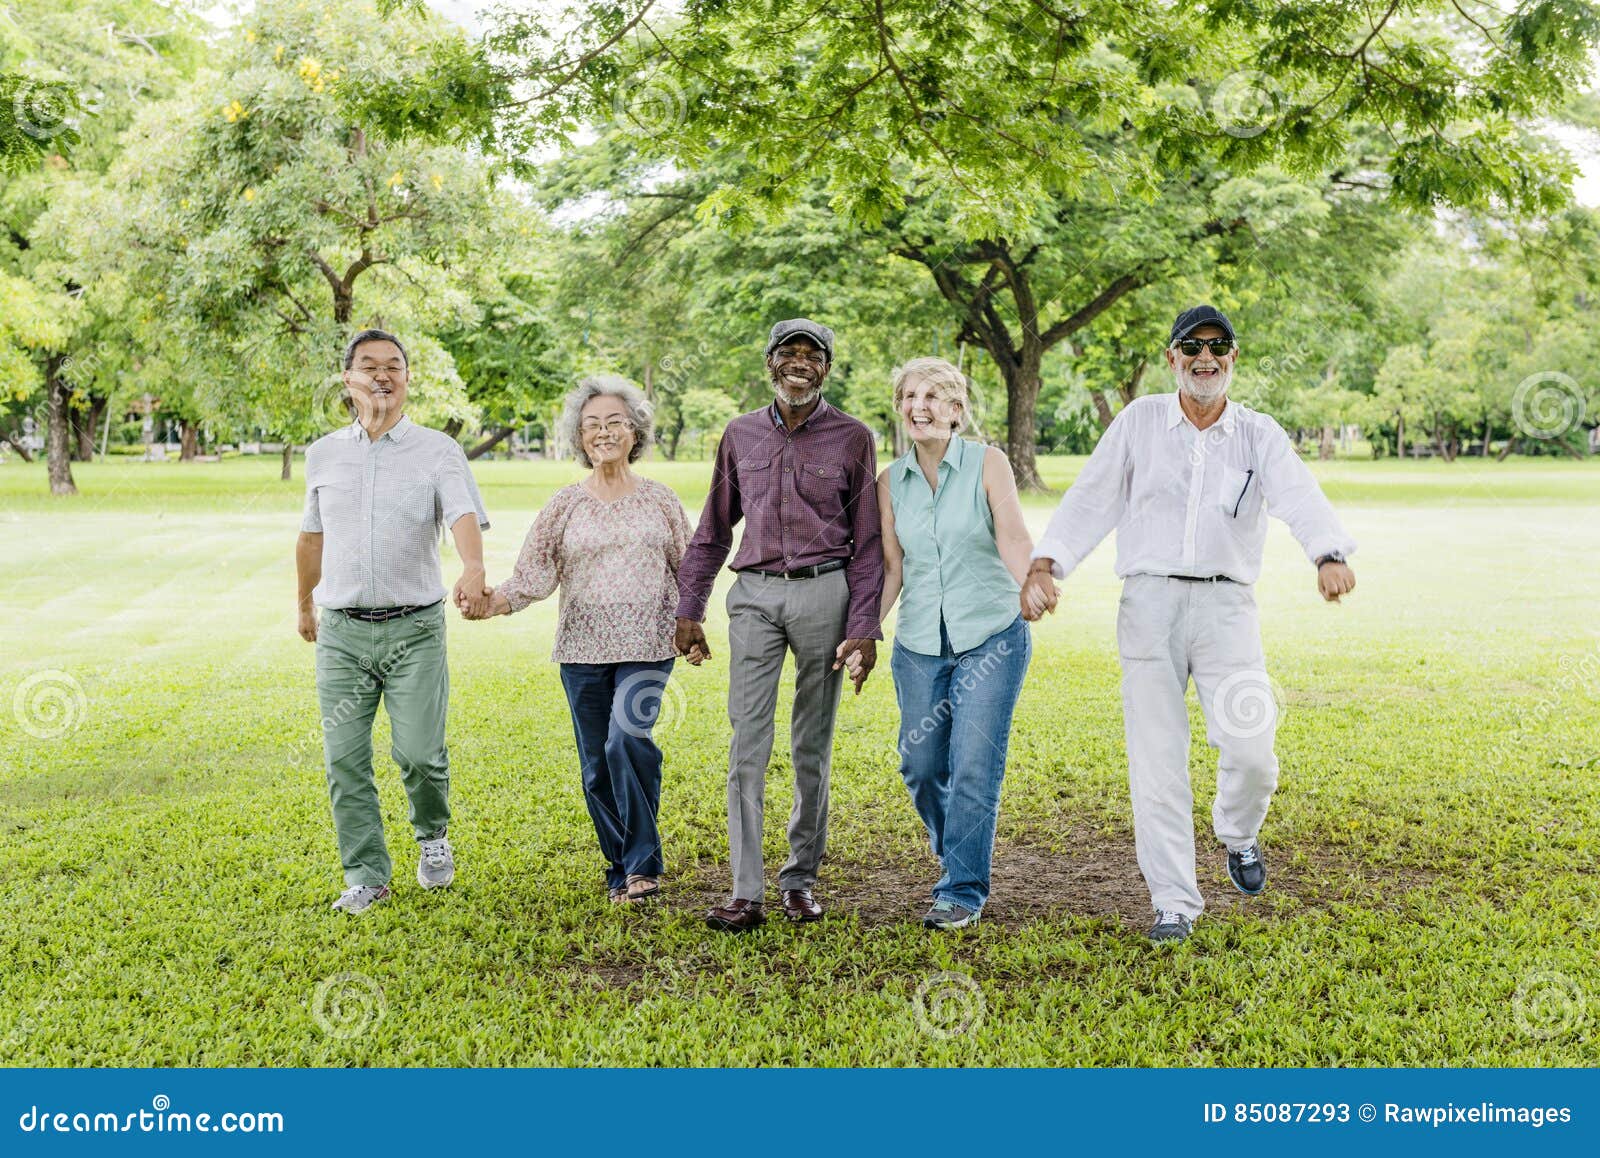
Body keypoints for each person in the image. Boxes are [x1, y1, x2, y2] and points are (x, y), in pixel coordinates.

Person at [1021, 305, 1357, 943]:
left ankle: (1238, 832)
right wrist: (1047, 564)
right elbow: (1093, 496)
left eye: (1218, 347)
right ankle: (1174, 901)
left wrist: (1328, 553)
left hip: (1227, 608)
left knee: (1253, 748)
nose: (1206, 358)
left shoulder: (1258, 433)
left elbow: (1298, 494)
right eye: (1191, 347)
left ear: (1233, 356)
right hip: (1148, 604)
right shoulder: (1140, 421)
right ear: (1172, 357)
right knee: (1158, 759)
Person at [676, 318, 884, 931]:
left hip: (826, 594)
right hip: (757, 598)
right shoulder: (740, 434)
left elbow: (869, 541)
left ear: (826, 368)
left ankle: (800, 879)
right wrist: (690, 609)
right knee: (748, 743)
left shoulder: (853, 437)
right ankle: (747, 891)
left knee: (810, 745)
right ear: (769, 364)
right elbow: (714, 528)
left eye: (811, 355)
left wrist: (865, 625)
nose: (799, 362)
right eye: (787, 353)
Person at [464, 376, 690, 906]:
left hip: (647, 646)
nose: (603, 432)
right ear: (579, 438)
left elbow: (690, 568)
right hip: (581, 652)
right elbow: (532, 576)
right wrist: (489, 602)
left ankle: (642, 864)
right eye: (592, 425)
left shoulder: (660, 500)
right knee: (595, 764)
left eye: (614, 422)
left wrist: (692, 624)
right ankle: (621, 866)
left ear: (635, 432)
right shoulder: (564, 505)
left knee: (625, 742)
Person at [296, 328, 492, 915]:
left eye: (394, 366)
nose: (382, 374)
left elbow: (461, 513)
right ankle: (367, 875)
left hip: (415, 628)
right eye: (369, 365)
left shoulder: (437, 450)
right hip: (342, 632)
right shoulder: (323, 453)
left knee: (418, 753)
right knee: (344, 757)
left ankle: (432, 836)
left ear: (407, 379)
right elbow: (311, 537)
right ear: (348, 379)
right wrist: (304, 602)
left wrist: (474, 567)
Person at [870, 357, 1034, 930]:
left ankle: (962, 888)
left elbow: (1012, 534)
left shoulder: (989, 463)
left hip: (991, 634)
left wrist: (1032, 580)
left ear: (957, 411)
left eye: (934, 396)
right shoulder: (889, 482)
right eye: (911, 396)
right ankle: (956, 845)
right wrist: (864, 627)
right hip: (919, 642)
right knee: (919, 765)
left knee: (972, 767)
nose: (921, 406)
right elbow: (893, 568)